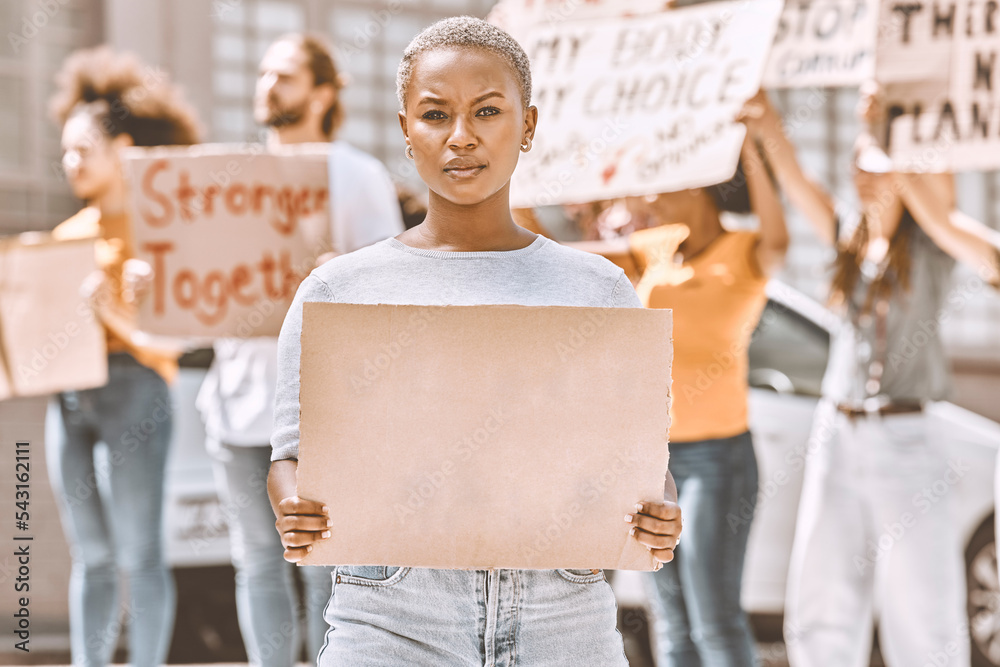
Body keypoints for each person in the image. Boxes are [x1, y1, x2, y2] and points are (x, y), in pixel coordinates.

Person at [267, 17, 682, 665]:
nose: (461, 137)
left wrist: (660, 511)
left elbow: (640, 463)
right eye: (435, 114)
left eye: (487, 111)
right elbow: (289, 456)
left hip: (564, 619)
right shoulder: (337, 291)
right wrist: (293, 504)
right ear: (407, 130)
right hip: (392, 621)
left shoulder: (599, 290)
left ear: (529, 125)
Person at [755, 81, 1000, 667]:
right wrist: (765, 126)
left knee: (921, 599)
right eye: (857, 166)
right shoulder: (850, 242)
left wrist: (894, 129)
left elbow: (947, 215)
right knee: (822, 589)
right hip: (837, 433)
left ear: (904, 173)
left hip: (907, 436)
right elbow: (797, 182)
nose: (862, 176)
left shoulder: (933, 246)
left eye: (877, 166)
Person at [557, 93, 788, 666]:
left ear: (702, 187)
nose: (651, 198)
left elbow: (781, 237)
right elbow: (574, 258)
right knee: (672, 620)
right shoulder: (655, 247)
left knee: (714, 617)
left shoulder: (744, 251)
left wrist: (756, 144)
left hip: (717, 458)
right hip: (650, 460)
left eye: (666, 183)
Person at [194, 33, 403, 666]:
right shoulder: (226, 180)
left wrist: (345, 273)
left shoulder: (358, 175)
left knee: (320, 564)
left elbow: (397, 287)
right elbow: (198, 291)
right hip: (235, 406)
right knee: (255, 563)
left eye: (283, 75)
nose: (267, 85)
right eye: (261, 73)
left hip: (323, 412)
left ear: (322, 92)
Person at [46, 46, 201, 667]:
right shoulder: (61, 239)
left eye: (83, 149)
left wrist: (116, 313)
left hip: (136, 390)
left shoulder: (161, 232)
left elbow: (179, 337)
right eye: (65, 150)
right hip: (70, 399)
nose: (70, 162)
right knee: (93, 556)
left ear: (125, 150)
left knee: (139, 553)